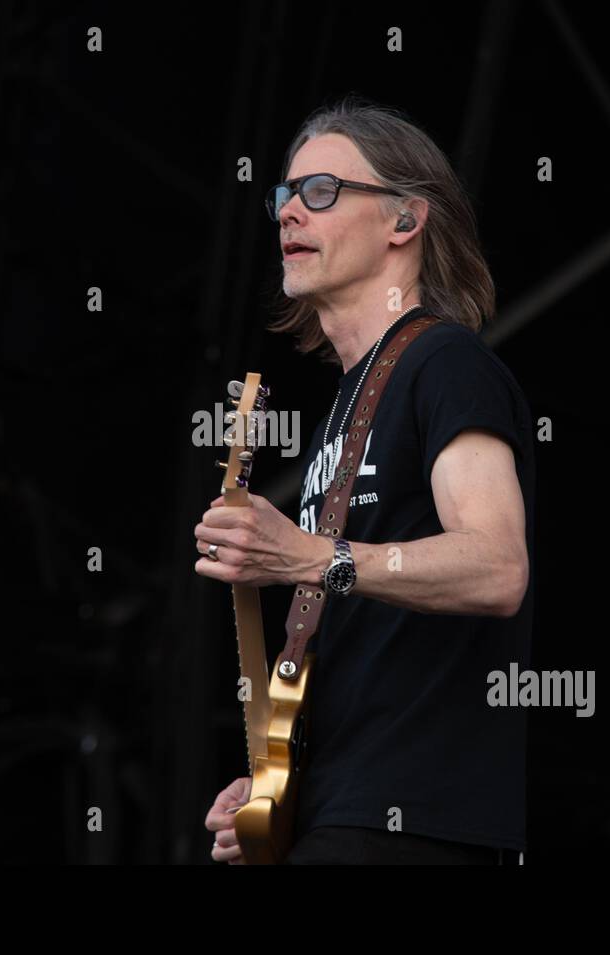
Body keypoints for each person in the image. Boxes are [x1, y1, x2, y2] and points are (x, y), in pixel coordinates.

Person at [195, 97, 535, 864]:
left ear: (405, 221)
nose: (288, 214)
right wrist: (281, 788)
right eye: (284, 196)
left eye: (321, 192)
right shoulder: (347, 409)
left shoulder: (446, 364)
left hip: (421, 821)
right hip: (347, 813)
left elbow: (498, 564)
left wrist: (314, 556)